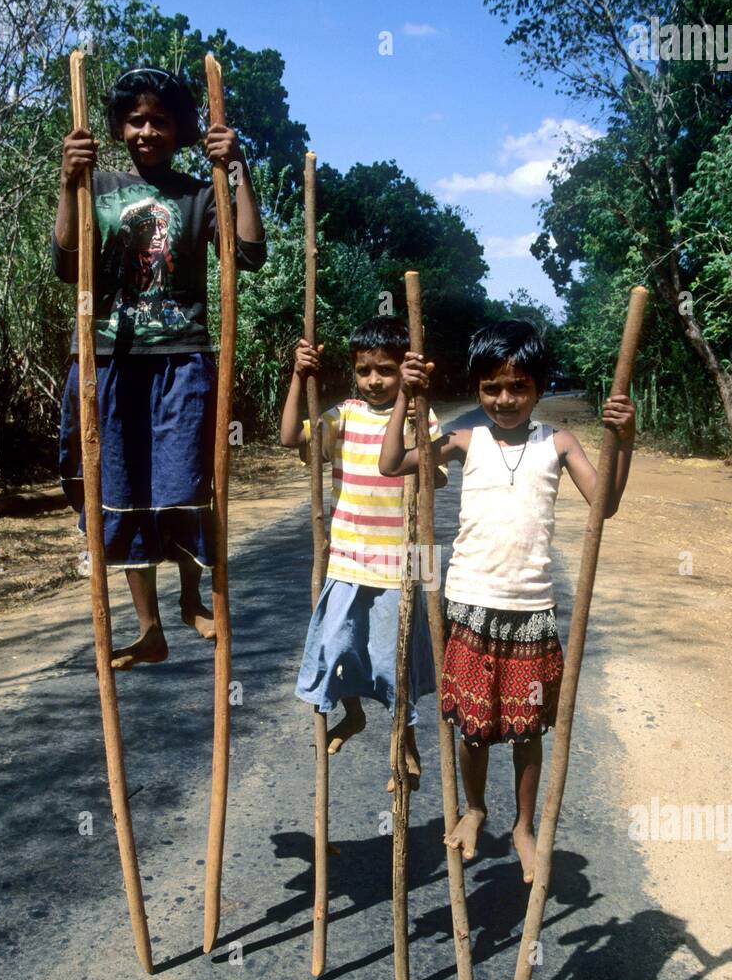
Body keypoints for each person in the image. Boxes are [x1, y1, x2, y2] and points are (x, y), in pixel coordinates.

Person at [379, 319, 635, 879]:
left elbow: (604, 505)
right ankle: (475, 808)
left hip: (531, 611)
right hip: (469, 604)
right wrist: (405, 395)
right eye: (492, 387)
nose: (504, 399)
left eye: (517, 387)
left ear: (539, 388)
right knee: (473, 725)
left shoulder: (559, 444)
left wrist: (627, 439)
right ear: (477, 389)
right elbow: (393, 463)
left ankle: (523, 824)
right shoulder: (464, 441)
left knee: (525, 728)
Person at [55, 66, 266, 668]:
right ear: (121, 127)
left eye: (161, 120)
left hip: (181, 358)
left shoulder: (200, 193)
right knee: (119, 491)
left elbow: (249, 253)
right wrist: (67, 180)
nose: (147, 130)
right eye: (136, 120)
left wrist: (237, 170)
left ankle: (191, 599)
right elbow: (69, 265)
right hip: (108, 360)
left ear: (180, 130)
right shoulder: (98, 185)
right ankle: (149, 628)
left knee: (184, 484)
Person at [281, 316, 446, 789]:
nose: (375, 380)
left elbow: (433, 481)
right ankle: (353, 715)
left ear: (406, 372)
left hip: (403, 563)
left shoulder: (422, 418)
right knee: (336, 648)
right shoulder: (345, 415)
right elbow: (292, 438)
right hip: (349, 557)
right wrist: (299, 373)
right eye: (365, 370)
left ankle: (405, 743)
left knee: (394, 664)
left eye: (387, 371)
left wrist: (415, 416)